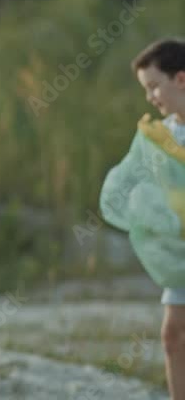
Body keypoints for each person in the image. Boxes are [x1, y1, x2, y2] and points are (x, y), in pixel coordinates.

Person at [129, 38, 185, 399]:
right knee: (172, 334)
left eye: (154, 86)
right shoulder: (166, 132)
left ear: (180, 79)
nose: (150, 96)